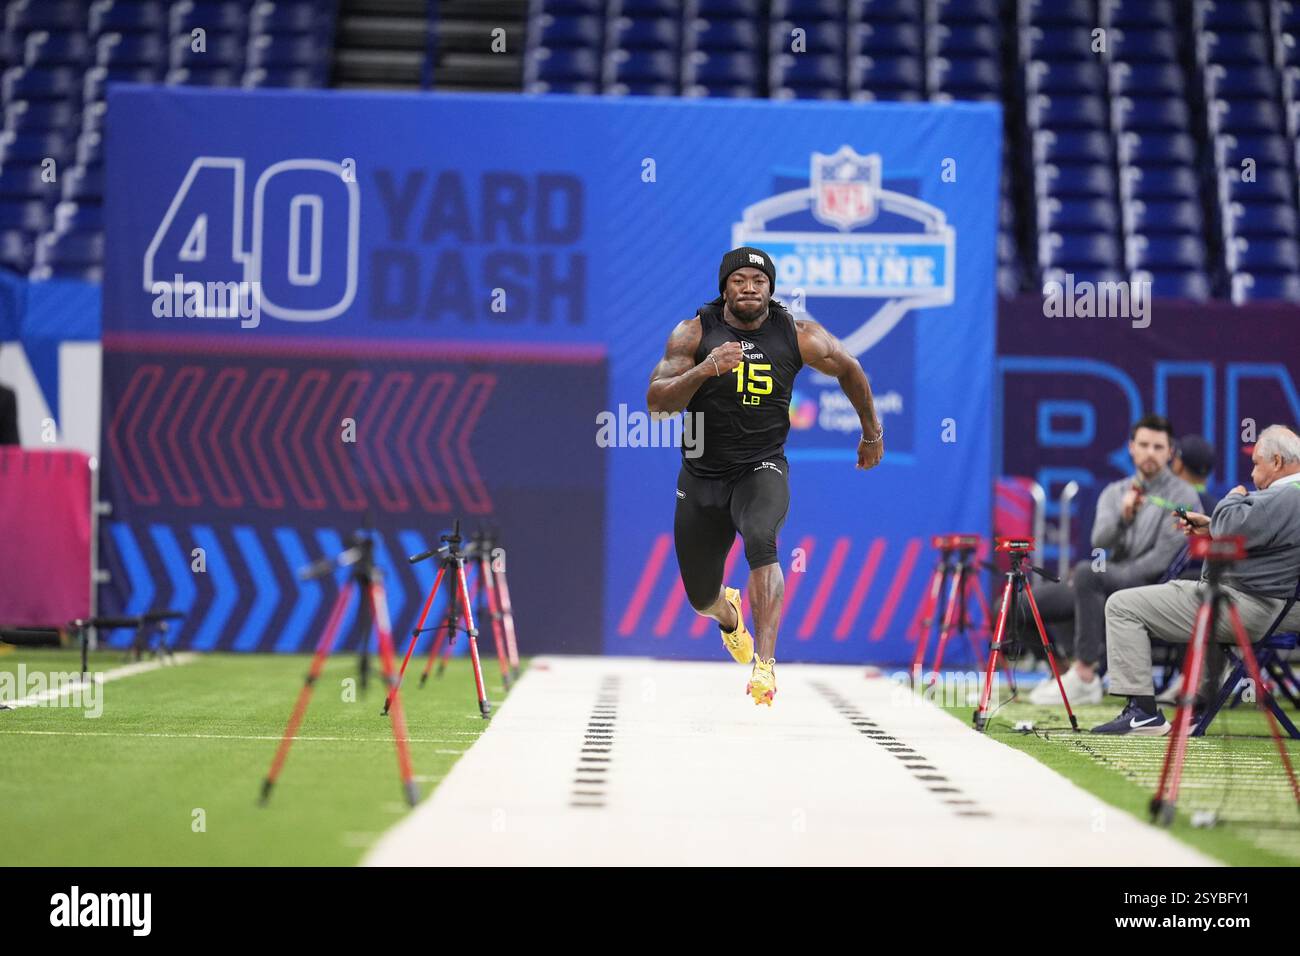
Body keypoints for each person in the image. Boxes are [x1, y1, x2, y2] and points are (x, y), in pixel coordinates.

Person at [646, 246, 884, 706]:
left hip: (761, 466)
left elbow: (849, 367)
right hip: (700, 476)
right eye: (739, 281)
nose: (749, 288)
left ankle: (765, 665)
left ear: (771, 288)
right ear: (725, 288)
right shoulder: (694, 331)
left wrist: (872, 433)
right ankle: (728, 615)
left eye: (759, 281)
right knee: (700, 598)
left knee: (762, 539)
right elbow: (657, 405)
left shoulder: (798, 333)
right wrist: (705, 368)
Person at [1094, 425, 1300, 734]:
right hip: (1266, 603)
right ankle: (1198, 707)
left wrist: (1233, 498)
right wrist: (1211, 527)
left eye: (1257, 464)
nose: (1253, 475)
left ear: (1278, 462)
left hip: (1249, 606)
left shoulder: (1287, 495)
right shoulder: (1288, 498)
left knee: (1122, 606)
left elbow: (1232, 521)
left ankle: (1143, 712)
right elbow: (1257, 541)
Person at [1028, 415, 1200, 705]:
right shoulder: (1114, 492)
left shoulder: (1184, 497)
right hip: (1099, 585)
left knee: (1087, 572)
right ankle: (1062, 673)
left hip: (1150, 586)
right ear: (1131, 447)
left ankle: (1084, 675)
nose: (1150, 453)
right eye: (1143, 445)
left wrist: (1110, 573)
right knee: (1019, 604)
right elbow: (1099, 540)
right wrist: (1124, 516)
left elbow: (1161, 560)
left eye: (1158, 447)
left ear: (1170, 452)